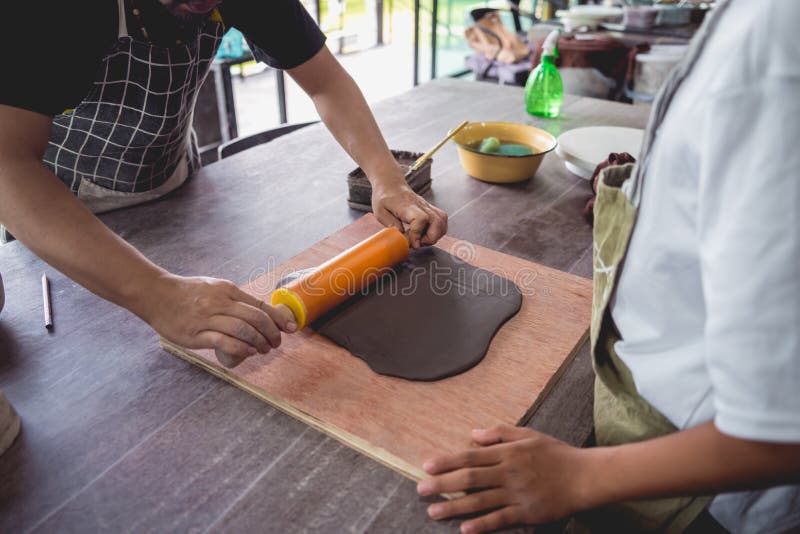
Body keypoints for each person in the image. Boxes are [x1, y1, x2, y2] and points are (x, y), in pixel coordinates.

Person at [417, 0, 800, 532]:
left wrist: (577, 477)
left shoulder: (778, 41)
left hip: (703, 493)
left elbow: (782, 428)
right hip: (660, 424)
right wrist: (655, 196)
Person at [0, 0, 447, 363]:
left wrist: (387, 178)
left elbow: (325, 81)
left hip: (172, 184)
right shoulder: (47, 10)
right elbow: (8, 165)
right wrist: (158, 295)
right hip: (61, 215)